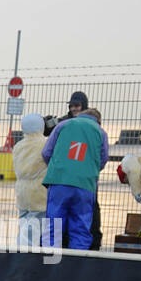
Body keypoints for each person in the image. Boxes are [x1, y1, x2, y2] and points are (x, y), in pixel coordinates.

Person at [41, 103, 108, 251]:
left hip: (59, 181)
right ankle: (77, 264)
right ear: (98, 121)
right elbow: (103, 160)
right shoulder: (100, 132)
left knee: (54, 225)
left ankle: (49, 261)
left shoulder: (63, 125)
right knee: (81, 226)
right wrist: (87, 171)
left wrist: (57, 167)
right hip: (85, 185)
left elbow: (46, 152)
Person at [13, 112, 49, 247]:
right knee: (32, 233)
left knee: (24, 225)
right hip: (39, 193)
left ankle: (22, 254)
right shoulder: (44, 144)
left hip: (22, 193)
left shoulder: (18, 147)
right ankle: (23, 259)